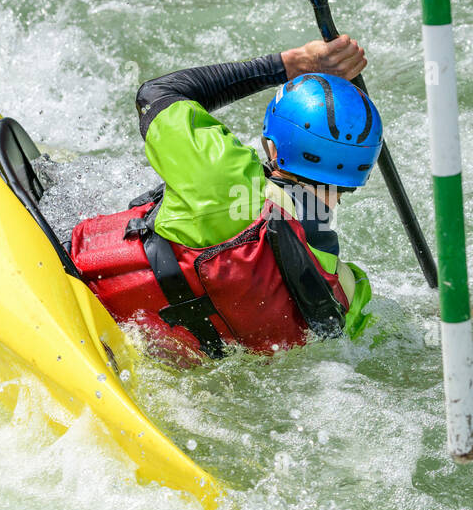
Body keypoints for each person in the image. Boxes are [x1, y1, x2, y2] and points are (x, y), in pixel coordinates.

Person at [68, 35, 380, 359]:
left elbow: (155, 95)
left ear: (272, 144)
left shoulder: (223, 176)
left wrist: (288, 64)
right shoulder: (350, 292)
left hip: (84, 299)